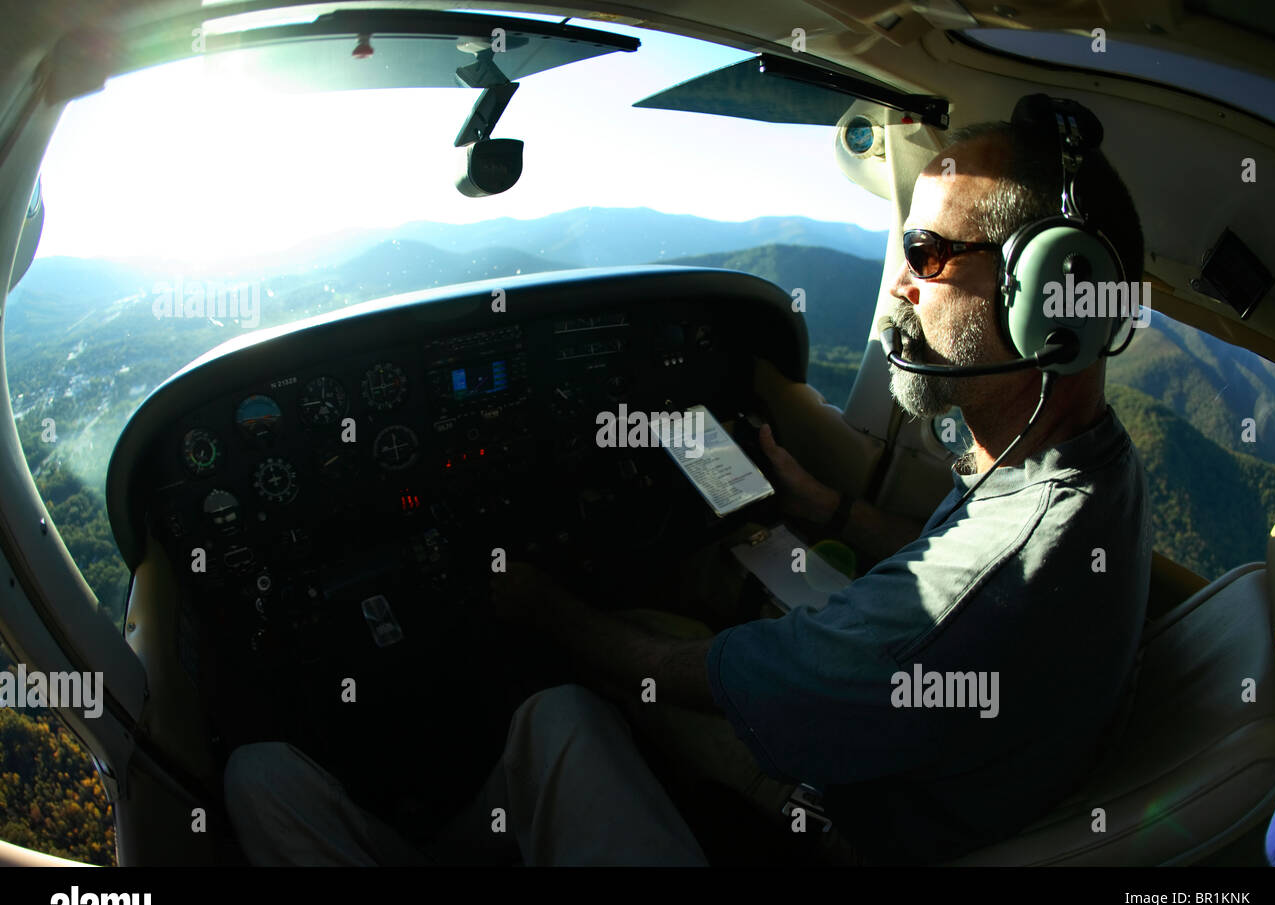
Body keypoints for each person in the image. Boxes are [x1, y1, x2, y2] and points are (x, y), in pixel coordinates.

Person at [225, 113, 1152, 865]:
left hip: (836, 818)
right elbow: (937, 567)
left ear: (1056, 300)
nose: (901, 285)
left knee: (547, 699)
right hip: (933, 771)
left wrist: (543, 607)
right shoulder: (1083, 475)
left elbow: (693, 676)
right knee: (571, 704)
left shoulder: (990, 577)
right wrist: (813, 503)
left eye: (930, 253)